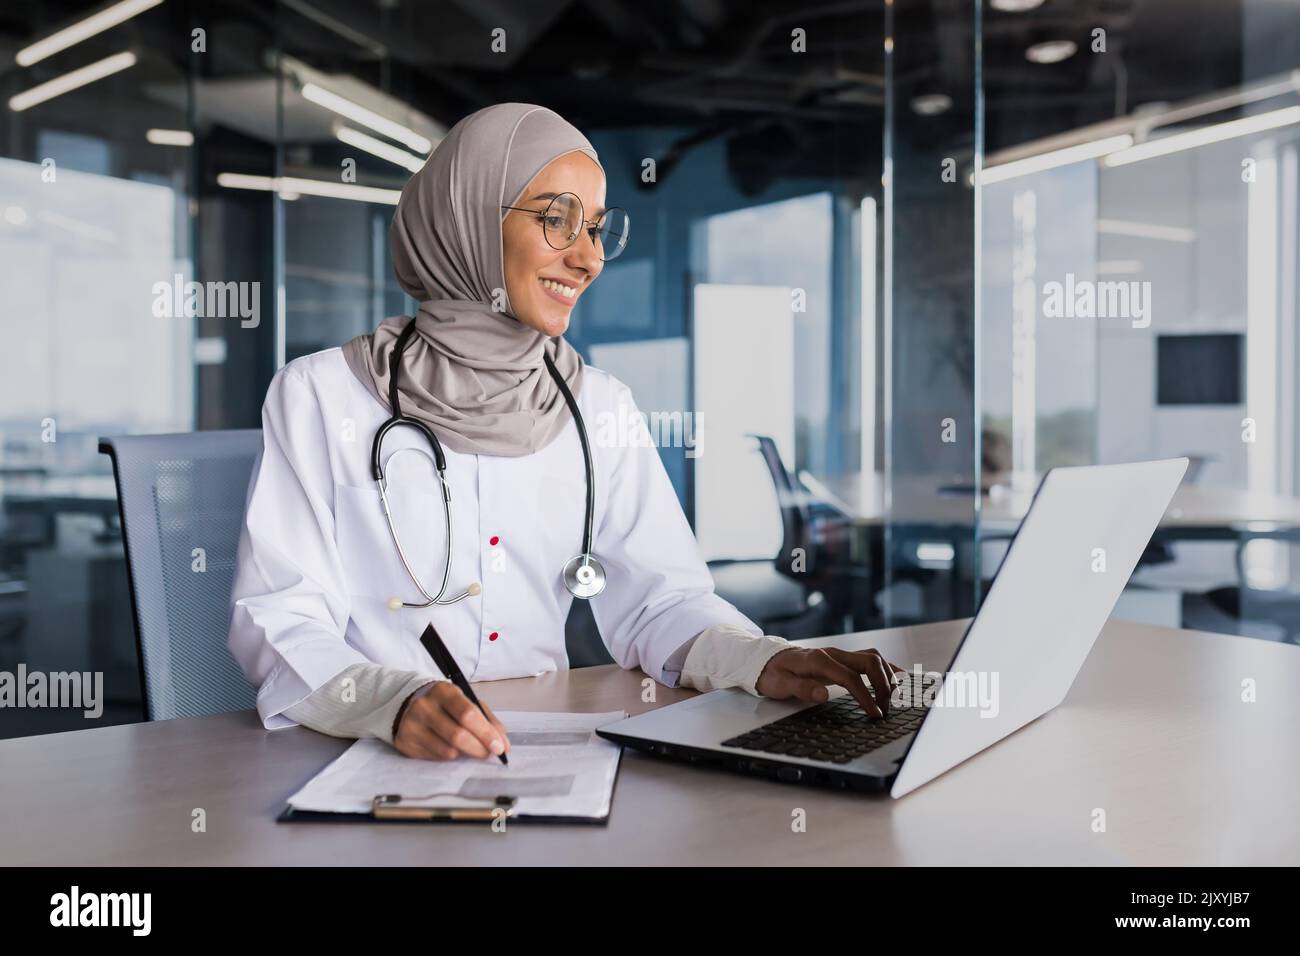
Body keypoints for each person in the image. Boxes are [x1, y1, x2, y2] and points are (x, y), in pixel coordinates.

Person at [227, 102, 900, 762]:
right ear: (468, 219)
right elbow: (280, 617)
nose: (589, 259)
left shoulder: (598, 404)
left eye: (597, 229)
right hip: (366, 755)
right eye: (557, 220)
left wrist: (761, 660)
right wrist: (391, 703)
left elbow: (659, 603)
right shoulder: (321, 395)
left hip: (539, 755)